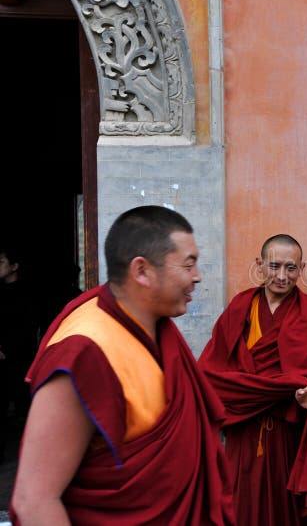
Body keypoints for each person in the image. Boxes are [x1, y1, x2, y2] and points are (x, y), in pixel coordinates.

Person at [10, 205, 235, 525]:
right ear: (142, 271)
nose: (197, 276)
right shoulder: (85, 351)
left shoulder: (157, 328)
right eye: (189, 264)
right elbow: (34, 500)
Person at [199, 234, 307, 526]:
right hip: (243, 434)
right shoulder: (239, 309)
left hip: (290, 439)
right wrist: (283, 392)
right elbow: (212, 374)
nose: (282, 276)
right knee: (242, 508)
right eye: (274, 266)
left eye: (291, 268)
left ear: (302, 268)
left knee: (289, 513)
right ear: (259, 265)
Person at [0, 244, 39, 464]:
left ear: (14, 266)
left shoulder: (26, 294)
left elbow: (27, 326)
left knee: (24, 407)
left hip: (17, 358)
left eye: (2, 262)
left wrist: (6, 349)